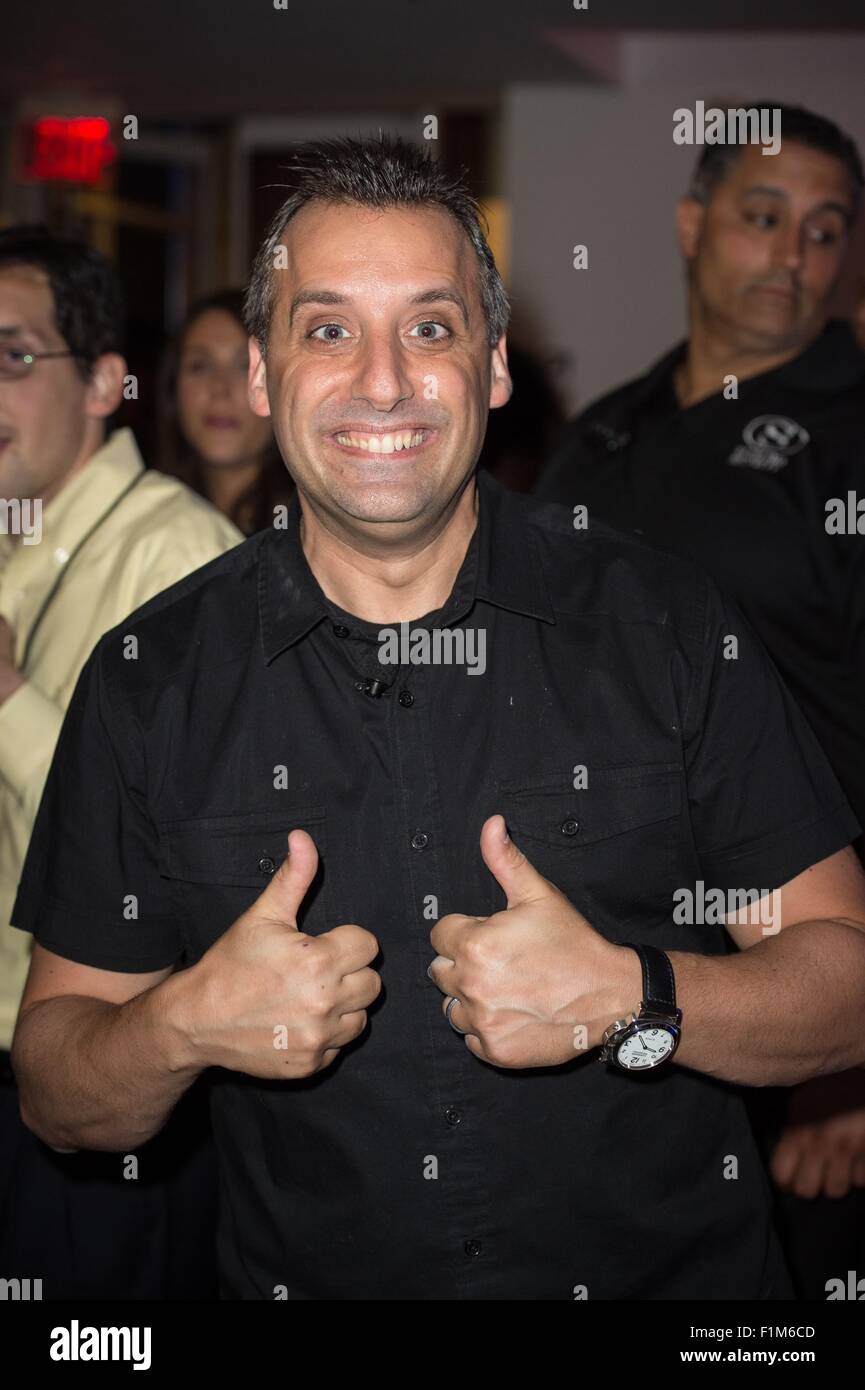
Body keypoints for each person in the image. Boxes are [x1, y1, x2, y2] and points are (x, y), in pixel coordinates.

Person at [9, 136, 865, 1302]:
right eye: (325, 329)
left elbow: (846, 983)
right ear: (263, 377)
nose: (380, 381)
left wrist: (633, 993)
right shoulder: (151, 675)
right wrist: (179, 1025)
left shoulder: (664, 621)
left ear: (495, 366)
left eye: (429, 326)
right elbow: (56, 1089)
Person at [533, 103, 865, 1299]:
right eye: (764, 217)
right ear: (692, 224)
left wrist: (850, 1069)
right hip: (604, 980)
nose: (794, 255)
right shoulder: (599, 435)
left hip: (804, 994)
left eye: (826, 231)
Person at [0, 226, 242, 1298]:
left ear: (105, 380)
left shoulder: (175, 554)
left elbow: (180, 844)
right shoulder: (24, 536)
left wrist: (6, 700)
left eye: (12, 356)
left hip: (121, 1074)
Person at [157, 289, 294, 535]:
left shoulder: (304, 534)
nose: (220, 388)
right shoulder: (154, 521)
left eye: (244, 367)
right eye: (200, 366)